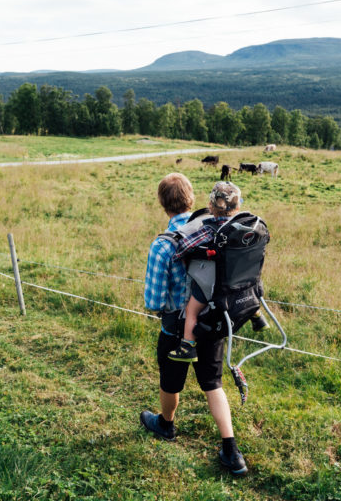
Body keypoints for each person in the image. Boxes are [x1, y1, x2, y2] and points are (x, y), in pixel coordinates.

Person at [140, 173, 248, 476]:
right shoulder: (216, 228)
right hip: (213, 321)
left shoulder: (163, 245)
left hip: (176, 329)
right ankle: (231, 450)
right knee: (213, 383)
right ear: (192, 198)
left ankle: (166, 424)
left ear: (163, 203)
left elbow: (154, 301)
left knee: (170, 381)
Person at [168, 181, 242, 363]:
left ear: (210, 205)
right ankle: (257, 317)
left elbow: (184, 245)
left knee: (191, 310)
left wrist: (179, 254)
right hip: (240, 282)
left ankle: (187, 346)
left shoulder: (211, 230)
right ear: (238, 205)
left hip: (213, 283)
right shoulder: (242, 227)